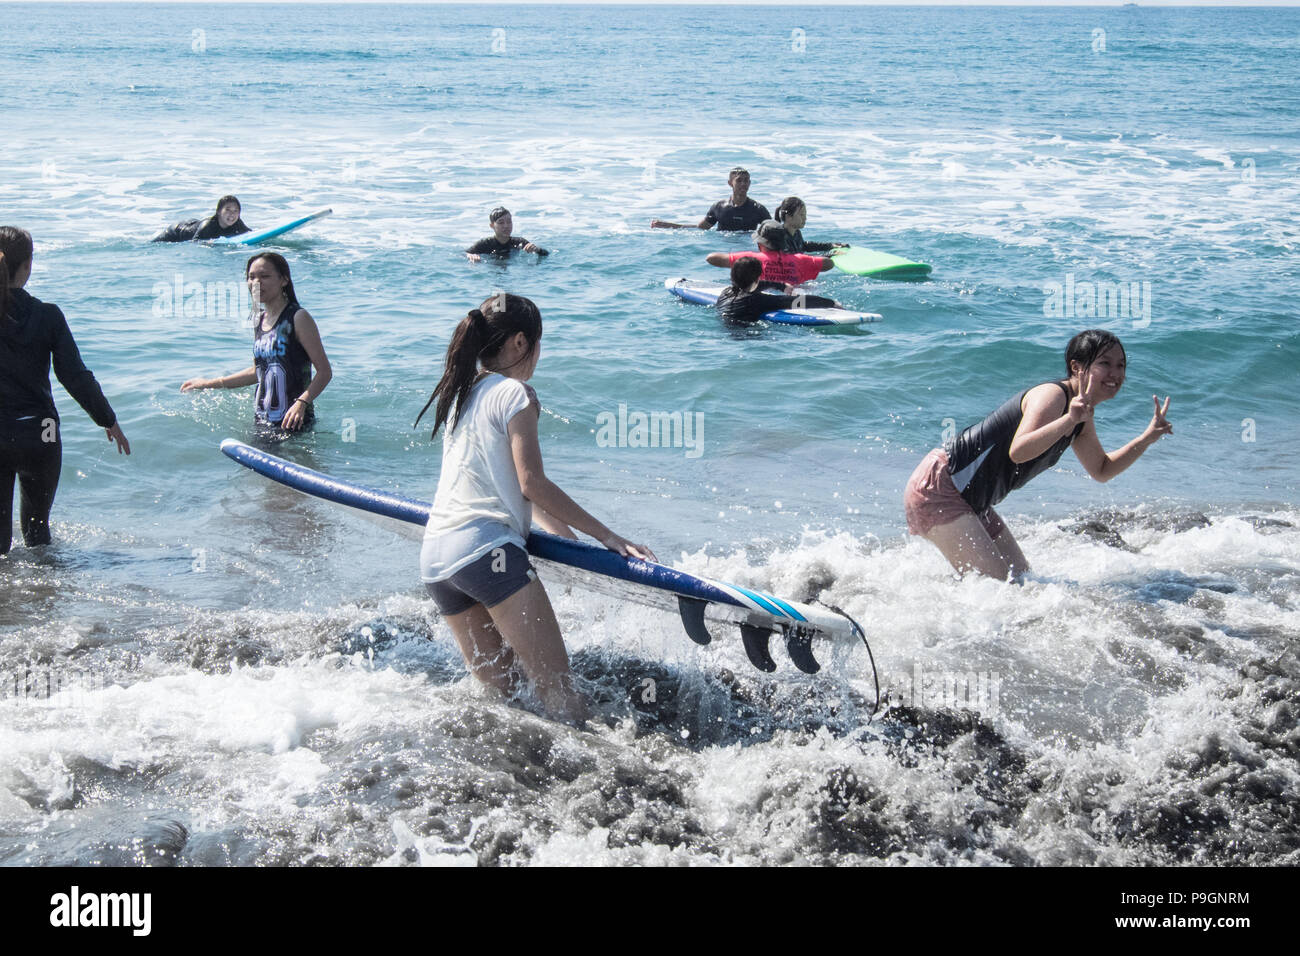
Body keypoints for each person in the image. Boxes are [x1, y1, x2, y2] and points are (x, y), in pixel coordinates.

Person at [415, 293, 654, 725]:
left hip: (437, 560)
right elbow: (532, 482)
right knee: (560, 694)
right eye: (540, 344)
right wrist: (609, 536)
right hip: (488, 554)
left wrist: (562, 533)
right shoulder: (515, 393)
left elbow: (502, 484)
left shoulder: (462, 394)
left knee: (504, 707)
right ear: (521, 343)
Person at [903, 330, 1173, 580]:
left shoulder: (1081, 414)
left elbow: (1101, 469)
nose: (1115, 373)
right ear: (1076, 367)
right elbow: (1019, 451)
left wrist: (1146, 438)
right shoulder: (1053, 396)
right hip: (940, 487)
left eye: (1121, 365)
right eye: (1105, 363)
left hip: (973, 500)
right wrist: (1069, 420)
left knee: (1021, 581)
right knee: (998, 588)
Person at [0, 227, 130, 555]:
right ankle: (46, 598)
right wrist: (107, 419)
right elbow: (74, 376)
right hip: (40, 433)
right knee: (38, 531)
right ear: (27, 265)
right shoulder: (48, 315)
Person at [180, 253, 332, 432]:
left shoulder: (298, 318)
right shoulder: (258, 319)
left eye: (265, 276)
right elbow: (257, 370)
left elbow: (324, 372)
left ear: (284, 280)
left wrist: (301, 403)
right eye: (251, 277)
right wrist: (209, 384)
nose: (256, 282)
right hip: (262, 420)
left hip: (294, 423)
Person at [705, 220, 835, 288]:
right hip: (795, 301)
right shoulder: (800, 259)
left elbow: (711, 258)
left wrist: (738, 263)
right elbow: (829, 264)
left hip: (763, 301)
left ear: (760, 243)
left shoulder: (752, 259)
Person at [715, 256, 840, 325]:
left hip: (724, 329)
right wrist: (831, 303)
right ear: (758, 277)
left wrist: (780, 286)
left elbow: (750, 286)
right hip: (747, 337)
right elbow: (798, 301)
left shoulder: (726, 292)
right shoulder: (758, 300)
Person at [651, 167, 772, 232]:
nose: (743, 184)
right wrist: (667, 225)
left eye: (746, 181)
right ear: (730, 183)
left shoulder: (758, 209)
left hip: (746, 250)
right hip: (722, 247)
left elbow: (774, 233)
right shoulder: (719, 207)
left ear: (750, 183)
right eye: (739, 180)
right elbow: (700, 229)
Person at [152, 195, 250, 243]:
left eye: (236, 210)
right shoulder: (208, 225)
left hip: (194, 223)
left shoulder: (237, 222)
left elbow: (250, 234)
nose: (232, 214)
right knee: (153, 245)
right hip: (176, 231)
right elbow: (195, 242)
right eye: (227, 210)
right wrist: (207, 244)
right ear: (219, 212)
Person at [465, 207, 548, 262]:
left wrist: (537, 250)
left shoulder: (519, 242)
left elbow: (545, 254)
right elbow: (465, 254)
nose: (506, 226)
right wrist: (470, 255)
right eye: (501, 222)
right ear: (492, 226)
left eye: (509, 222)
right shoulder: (484, 244)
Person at [774, 197, 848, 253]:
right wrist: (829, 255)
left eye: (805, 214)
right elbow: (796, 260)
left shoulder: (796, 233)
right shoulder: (780, 238)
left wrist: (830, 246)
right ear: (788, 217)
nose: (805, 218)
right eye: (801, 215)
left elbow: (804, 246)